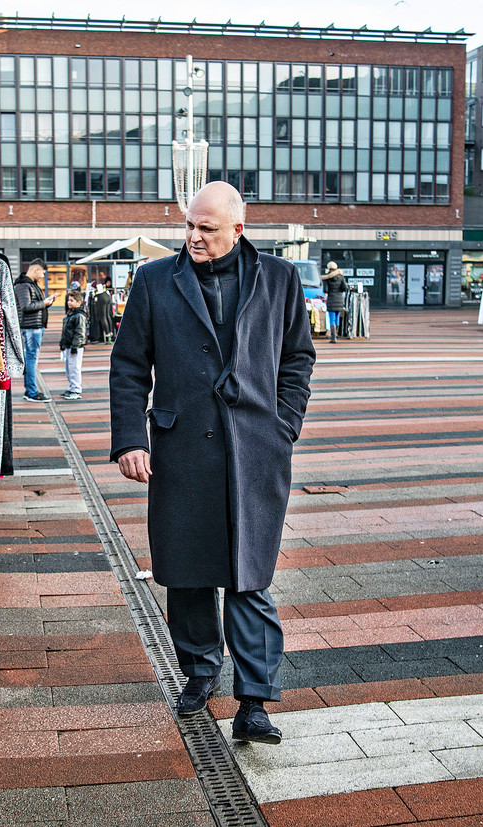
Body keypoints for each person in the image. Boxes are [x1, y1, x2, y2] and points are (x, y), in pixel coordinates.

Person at [109, 181, 315, 745]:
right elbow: (129, 365)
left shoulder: (279, 278)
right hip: (180, 449)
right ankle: (200, 672)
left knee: (250, 575)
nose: (193, 237)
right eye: (189, 226)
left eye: (207, 228)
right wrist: (130, 440)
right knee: (188, 571)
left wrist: (283, 424)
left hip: (256, 449)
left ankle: (254, 701)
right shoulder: (154, 280)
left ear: (238, 230)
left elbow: (298, 357)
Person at [13, 258, 57, 401]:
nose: (43, 276)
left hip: (34, 326)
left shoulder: (31, 284)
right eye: (43, 273)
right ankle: (31, 392)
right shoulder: (23, 285)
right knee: (31, 359)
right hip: (31, 327)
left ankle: (30, 390)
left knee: (31, 358)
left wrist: (47, 302)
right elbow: (26, 306)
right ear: (36, 270)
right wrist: (44, 303)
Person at [58, 289, 87, 400]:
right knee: (69, 368)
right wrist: (62, 343)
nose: (69, 302)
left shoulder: (79, 316)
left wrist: (75, 346)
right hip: (68, 345)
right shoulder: (70, 314)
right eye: (68, 300)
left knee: (74, 368)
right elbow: (65, 331)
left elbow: (80, 333)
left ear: (79, 302)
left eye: (72, 300)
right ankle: (72, 387)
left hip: (75, 346)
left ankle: (76, 389)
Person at [322, 261, 348, 342]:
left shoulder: (327, 278)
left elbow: (325, 290)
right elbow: (344, 288)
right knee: (337, 318)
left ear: (329, 268)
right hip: (339, 300)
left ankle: (333, 338)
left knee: (332, 319)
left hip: (331, 300)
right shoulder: (341, 277)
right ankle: (336, 334)